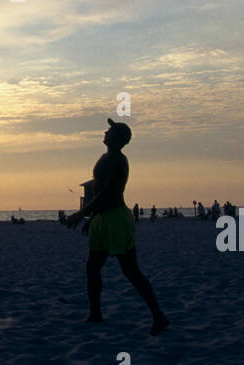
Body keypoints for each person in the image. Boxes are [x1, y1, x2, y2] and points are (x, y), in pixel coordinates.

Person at [66, 119, 168, 336]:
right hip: (101, 218)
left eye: (110, 130)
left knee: (130, 270)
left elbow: (109, 192)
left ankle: (159, 316)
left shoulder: (120, 162)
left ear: (118, 138)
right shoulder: (104, 158)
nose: (105, 131)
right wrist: (93, 218)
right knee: (92, 267)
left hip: (116, 219)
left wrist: (81, 213)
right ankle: (95, 313)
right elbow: (99, 190)